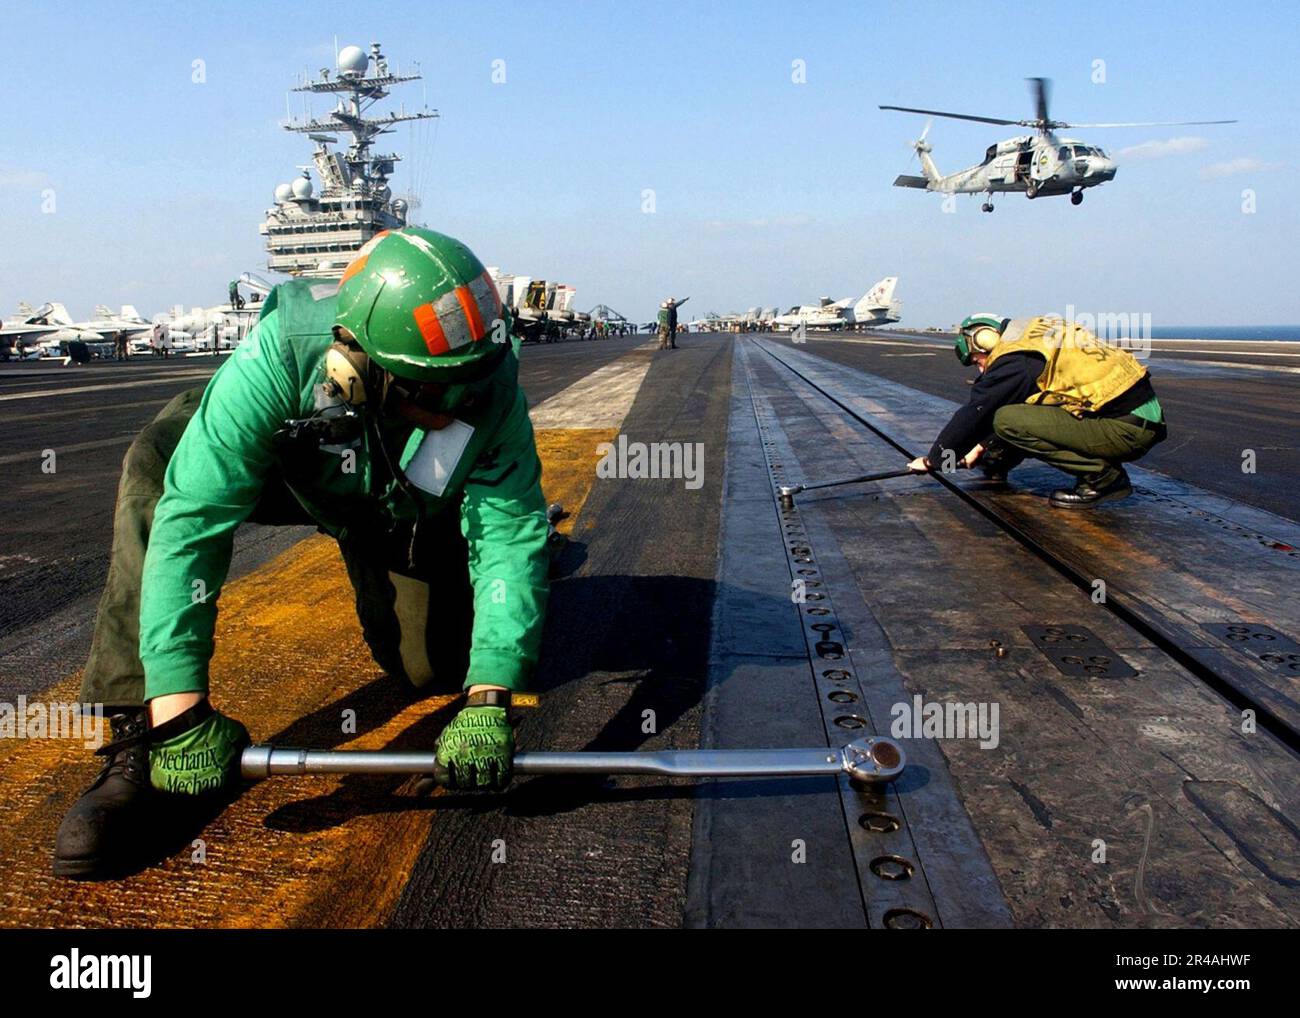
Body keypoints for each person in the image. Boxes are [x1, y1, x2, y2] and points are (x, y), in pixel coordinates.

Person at [54, 228, 551, 879]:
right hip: (295, 473)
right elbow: (194, 515)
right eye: (438, 393)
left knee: (434, 669)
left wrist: (490, 696)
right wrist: (178, 703)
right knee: (160, 459)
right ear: (355, 367)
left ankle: (404, 580)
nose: (461, 407)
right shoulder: (281, 352)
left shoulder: (485, 384)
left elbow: (510, 532)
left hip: (402, 503)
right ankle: (138, 737)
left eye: (470, 387)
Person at [907, 313, 1166, 508]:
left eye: (977, 360)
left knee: (1007, 420)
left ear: (985, 339)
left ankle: (1104, 479)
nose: (981, 369)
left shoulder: (1015, 360)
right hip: (1137, 417)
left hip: (1125, 429)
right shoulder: (1034, 336)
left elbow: (976, 412)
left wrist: (935, 460)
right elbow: (1030, 401)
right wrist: (982, 449)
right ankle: (997, 462)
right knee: (1017, 413)